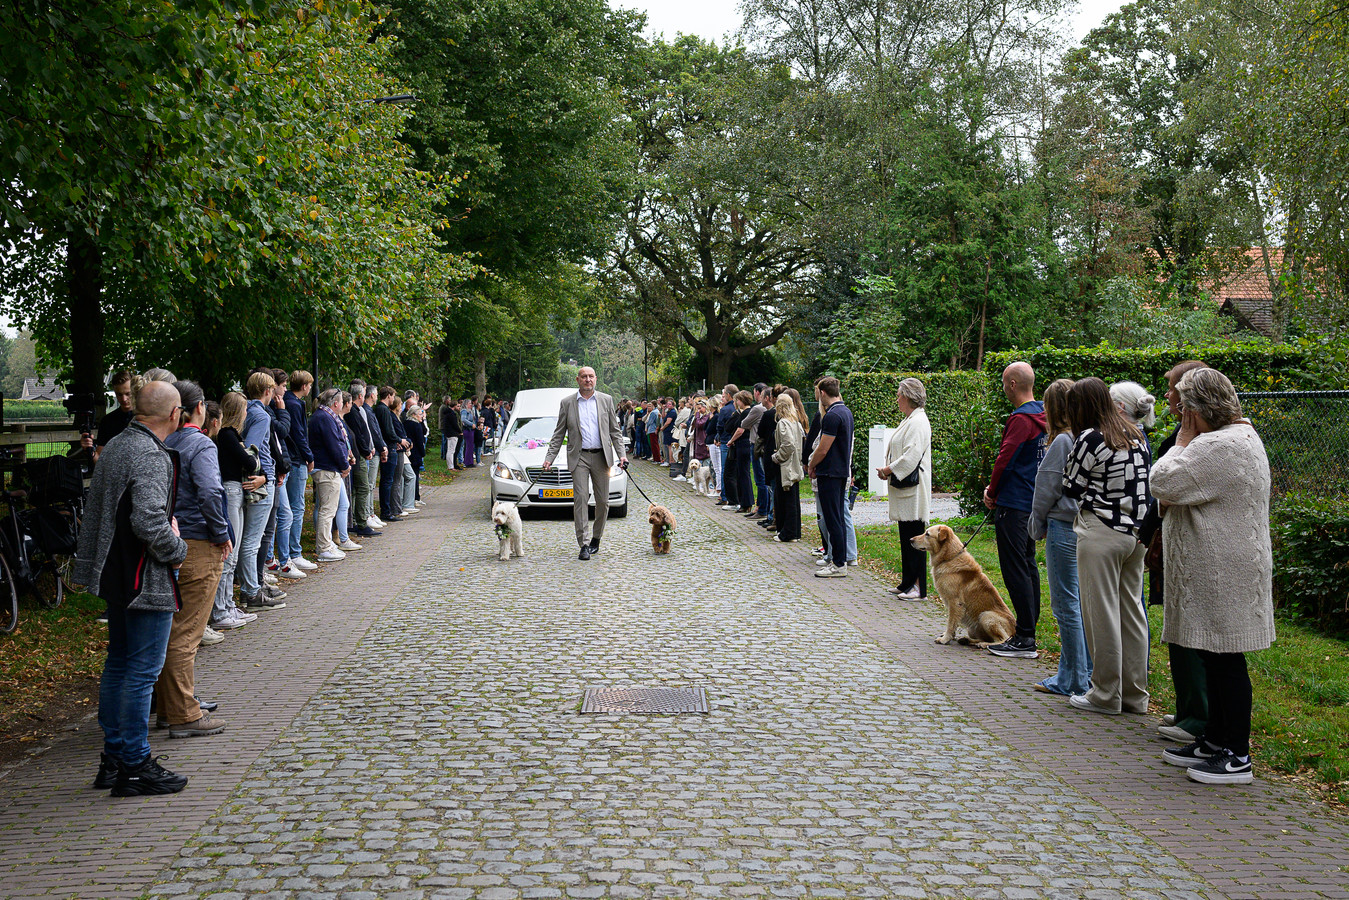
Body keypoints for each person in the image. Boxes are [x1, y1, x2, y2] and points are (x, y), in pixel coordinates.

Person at [1151, 368, 1274, 785]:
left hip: (1225, 569)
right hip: (1221, 566)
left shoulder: (1219, 445)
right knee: (1213, 654)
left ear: (1203, 409)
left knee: (1225, 659)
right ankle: (1215, 739)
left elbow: (1162, 481)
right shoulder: (1236, 437)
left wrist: (1182, 443)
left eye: (1185, 408)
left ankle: (1236, 754)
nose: (1181, 416)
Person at [74, 381, 190, 796]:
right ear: (175, 414)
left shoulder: (119, 443)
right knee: (141, 671)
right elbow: (148, 521)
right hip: (143, 576)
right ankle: (135, 762)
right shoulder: (149, 453)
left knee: (120, 664)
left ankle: (115, 757)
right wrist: (177, 550)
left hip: (115, 572)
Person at [1062, 377, 1151, 716]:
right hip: (1137, 533)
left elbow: (1071, 486)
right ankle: (1134, 695)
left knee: (1101, 612)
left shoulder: (1090, 436)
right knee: (1132, 612)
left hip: (1101, 531)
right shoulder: (1135, 432)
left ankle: (1104, 692)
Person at [1138, 360, 1210, 744]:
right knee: (1176, 628)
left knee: (1192, 634)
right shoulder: (1182, 435)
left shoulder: (1200, 441)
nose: (1166, 395)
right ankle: (1187, 708)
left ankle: (1199, 713)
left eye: (1172, 389)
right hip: (1171, 544)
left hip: (1190, 548)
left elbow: (1165, 486)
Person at [157, 381, 230, 738]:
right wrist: (221, 533)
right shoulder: (200, 443)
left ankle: (165, 705)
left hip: (167, 539)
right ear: (199, 407)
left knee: (169, 627)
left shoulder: (164, 441)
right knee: (186, 632)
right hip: (198, 541)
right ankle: (184, 714)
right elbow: (210, 490)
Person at [1028, 378, 1088, 696]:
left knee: (1066, 605)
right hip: (1083, 526)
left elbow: (1046, 489)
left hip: (1063, 528)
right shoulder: (1086, 438)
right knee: (1078, 603)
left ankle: (1073, 678)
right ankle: (1079, 672)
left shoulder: (1062, 442)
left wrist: (1035, 526)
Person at [983, 361, 1047, 659]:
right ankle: (1028, 628)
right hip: (1032, 500)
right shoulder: (1046, 414)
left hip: (1013, 501)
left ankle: (1024, 637)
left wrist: (992, 492)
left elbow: (1004, 459)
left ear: (1012, 384)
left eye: (1003, 383)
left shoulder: (1021, 419)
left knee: (1015, 569)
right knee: (1028, 564)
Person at [542, 366, 626, 560]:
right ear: (578, 380)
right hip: (578, 457)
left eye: (591, 377)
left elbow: (615, 431)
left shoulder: (606, 400)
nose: (588, 380)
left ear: (596, 379)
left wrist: (622, 455)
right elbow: (558, 434)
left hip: (601, 457)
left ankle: (597, 538)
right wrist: (549, 458)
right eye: (584, 377)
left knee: (603, 502)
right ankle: (584, 544)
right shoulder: (568, 403)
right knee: (580, 498)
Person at [209, 393, 262, 632]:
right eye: (244, 410)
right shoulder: (227, 435)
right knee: (230, 553)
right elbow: (251, 463)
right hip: (231, 490)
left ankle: (227, 603)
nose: (246, 414)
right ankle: (221, 609)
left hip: (235, 491)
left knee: (236, 550)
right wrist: (252, 458)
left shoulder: (232, 436)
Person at [877, 377, 931, 600]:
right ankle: (908, 582)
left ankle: (919, 588)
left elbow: (911, 455)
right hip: (905, 487)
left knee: (915, 537)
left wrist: (888, 469)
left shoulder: (918, 421)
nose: (897, 398)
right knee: (905, 535)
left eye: (899, 394)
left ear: (908, 396)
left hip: (914, 488)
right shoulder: (910, 419)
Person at [238, 372, 283, 611]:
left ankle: (254, 585)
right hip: (260, 481)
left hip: (257, 478)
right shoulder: (260, 415)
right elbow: (253, 449)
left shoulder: (246, 410)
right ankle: (251, 592)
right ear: (268, 391)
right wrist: (264, 476)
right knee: (253, 540)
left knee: (254, 538)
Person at [808, 376, 854, 578]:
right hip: (841, 471)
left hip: (830, 472)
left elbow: (823, 447)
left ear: (823, 393)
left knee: (833, 518)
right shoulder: (846, 412)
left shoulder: (832, 416)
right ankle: (840, 559)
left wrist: (811, 464)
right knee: (838, 519)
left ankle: (838, 563)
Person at [310, 388, 353, 563]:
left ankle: (326, 543)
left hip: (328, 468)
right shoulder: (325, 418)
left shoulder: (323, 416)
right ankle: (324, 547)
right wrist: (344, 465)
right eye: (341, 402)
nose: (342, 405)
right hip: (327, 469)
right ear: (336, 403)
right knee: (327, 511)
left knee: (328, 509)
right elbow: (333, 444)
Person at [282, 371, 317, 574]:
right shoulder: (294, 404)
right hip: (296, 459)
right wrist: (308, 456)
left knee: (291, 508)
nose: (310, 388)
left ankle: (292, 552)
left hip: (294, 458)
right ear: (304, 386)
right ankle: (294, 553)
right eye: (309, 385)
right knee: (296, 507)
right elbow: (299, 434)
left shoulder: (290, 402)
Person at [771, 392, 806, 543]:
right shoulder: (796, 423)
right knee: (793, 499)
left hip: (786, 465)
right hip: (795, 464)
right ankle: (794, 532)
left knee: (785, 499)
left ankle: (787, 532)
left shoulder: (783, 423)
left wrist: (777, 457)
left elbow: (788, 444)